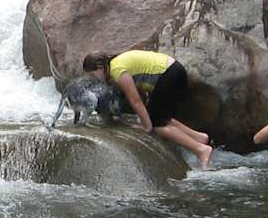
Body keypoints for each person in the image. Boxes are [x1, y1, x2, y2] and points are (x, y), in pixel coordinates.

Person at [82, 49, 213, 169]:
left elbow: (136, 101)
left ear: (100, 68)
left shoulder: (117, 71)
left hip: (170, 75)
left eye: (93, 75)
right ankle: (199, 137)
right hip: (173, 70)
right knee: (160, 117)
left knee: (158, 126)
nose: (94, 79)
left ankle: (201, 149)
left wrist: (147, 127)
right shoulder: (117, 63)